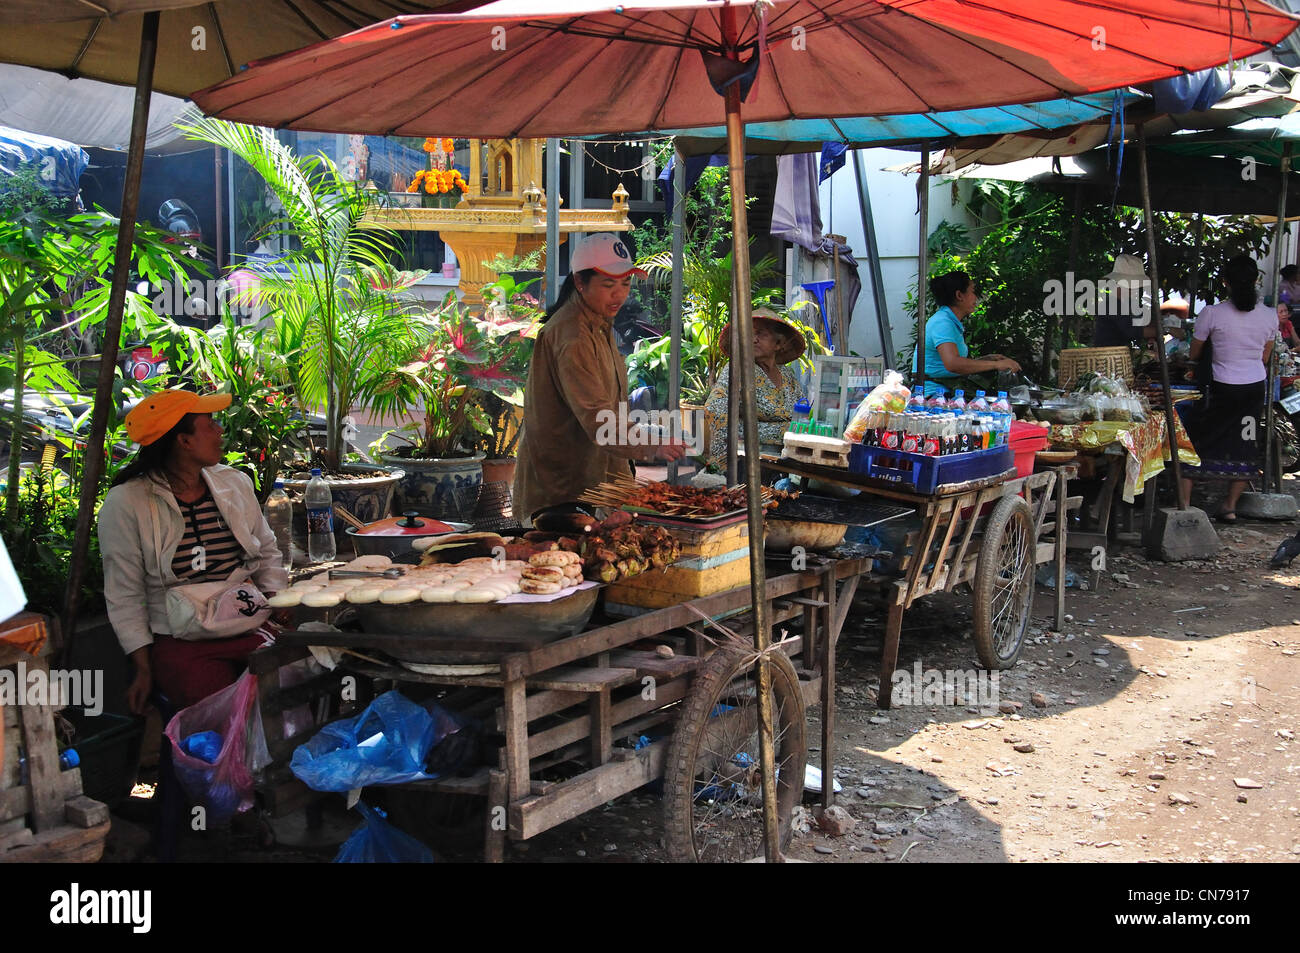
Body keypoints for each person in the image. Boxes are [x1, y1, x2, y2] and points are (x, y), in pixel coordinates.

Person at [99, 389, 288, 714]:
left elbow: (267, 550)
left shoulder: (234, 483)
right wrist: (143, 668)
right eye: (210, 424)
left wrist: (279, 600)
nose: (219, 431)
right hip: (181, 639)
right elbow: (124, 594)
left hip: (246, 620)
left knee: (293, 690)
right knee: (223, 718)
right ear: (183, 441)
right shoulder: (127, 503)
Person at [513, 233, 687, 519]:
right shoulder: (573, 337)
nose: (619, 294)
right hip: (563, 493)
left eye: (625, 283)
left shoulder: (598, 323)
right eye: (608, 285)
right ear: (580, 283)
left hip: (597, 482)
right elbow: (598, 419)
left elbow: (611, 409)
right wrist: (653, 444)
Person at [1177, 255, 1277, 520]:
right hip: (1254, 388)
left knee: (1195, 441)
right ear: (1257, 280)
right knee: (1245, 443)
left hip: (1219, 389)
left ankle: (1186, 505)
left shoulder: (1211, 313)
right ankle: (1229, 506)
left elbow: (1195, 353)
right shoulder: (1269, 316)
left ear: (1225, 283)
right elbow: (1264, 358)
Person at [703, 308, 807, 468]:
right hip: (739, 462)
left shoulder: (787, 376)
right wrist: (776, 433)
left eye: (761, 334)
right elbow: (714, 410)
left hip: (782, 461)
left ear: (778, 344)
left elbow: (802, 412)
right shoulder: (737, 369)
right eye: (749, 334)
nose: (753, 340)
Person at [914, 270, 1020, 395]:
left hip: (944, 393)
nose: (976, 297)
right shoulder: (943, 322)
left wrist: (987, 359)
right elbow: (953, 364)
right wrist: (996, 365)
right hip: (932, 396)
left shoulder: (948, 320)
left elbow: (952, 365)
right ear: (959, 295)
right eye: (973, 291)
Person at [1092, 254, 1160, 348]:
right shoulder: (1112, 304)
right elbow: (1133, 331)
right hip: (1107, 357)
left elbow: (1139, 322)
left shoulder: (1123, 302)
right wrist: (1166, 330)